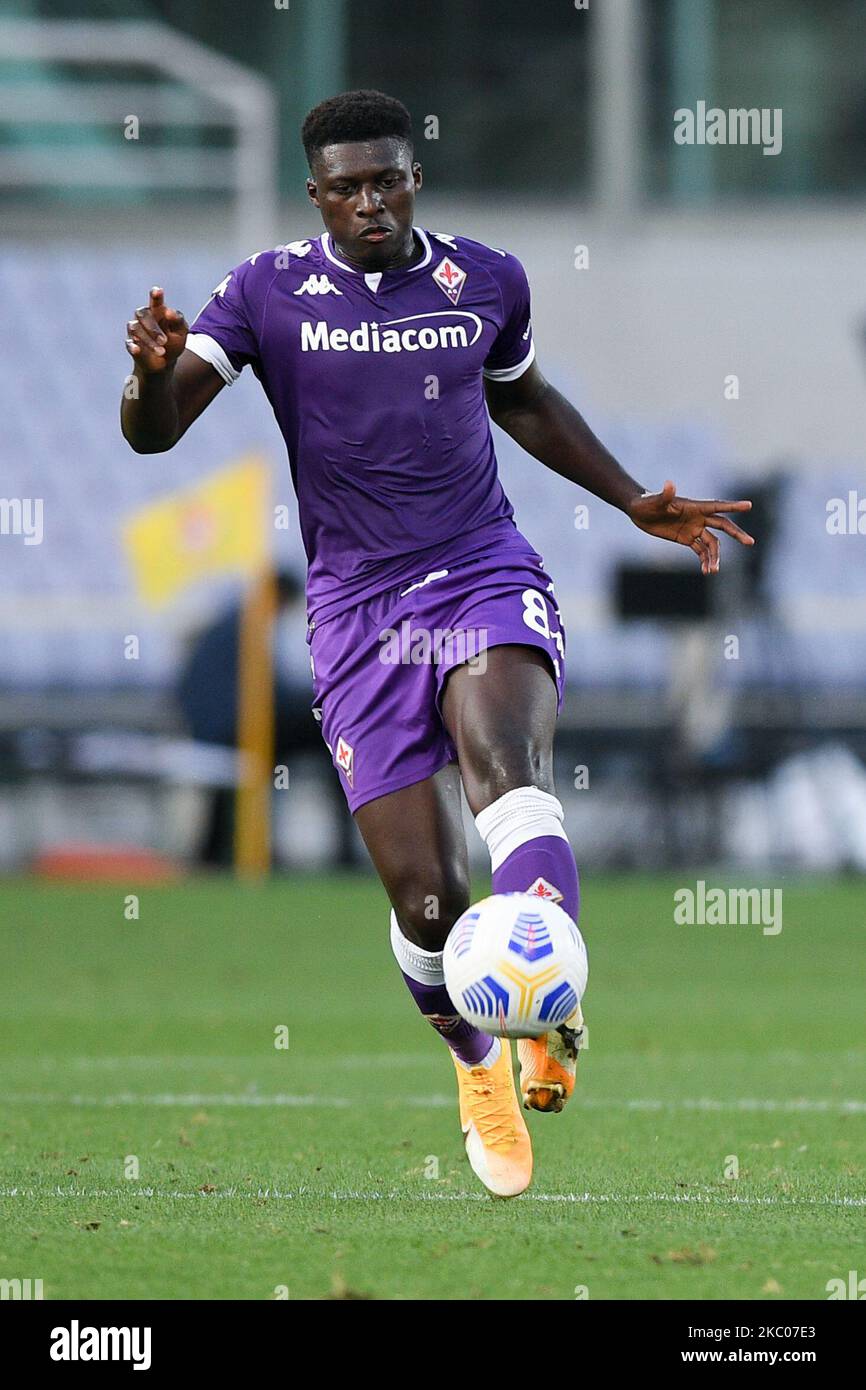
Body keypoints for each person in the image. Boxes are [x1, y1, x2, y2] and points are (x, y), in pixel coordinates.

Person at [121, 89, 753, 1197]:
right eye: (349, 186)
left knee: (507, 771)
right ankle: (476, 1062)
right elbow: (156, 431)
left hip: (477, 569)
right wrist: (145, 372)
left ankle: (547, 1001)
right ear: (315, 194)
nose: (373, 201)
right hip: (357, 611)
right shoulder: (264, 294)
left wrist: (626, 501)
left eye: (390, 178)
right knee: (425, 905)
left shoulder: (484, 280)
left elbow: (526, 400)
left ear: (415, 175)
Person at [176, 569, 357, 868]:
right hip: (235, 730)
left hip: (220, 728)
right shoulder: (246, 628)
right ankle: (346, 850)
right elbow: (267, 695)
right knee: (332, 736)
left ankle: (218, 854)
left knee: (319, 734)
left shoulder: (232, 624)